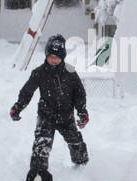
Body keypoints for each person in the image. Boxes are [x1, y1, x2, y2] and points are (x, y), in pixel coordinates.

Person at [10, 34, 89, 167]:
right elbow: (27, 91)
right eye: (51, 57)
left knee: (75, 140)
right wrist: (18, 106)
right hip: (46, 114)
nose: (53, 60)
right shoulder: (39, 72)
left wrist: (82, 111)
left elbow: (79, 94)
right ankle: (38, 170)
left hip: (66, 115)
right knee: (42, 142)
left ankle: (81, 164)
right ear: (46, 55)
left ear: (62, 57)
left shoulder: (70, 71)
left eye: (57, 58)